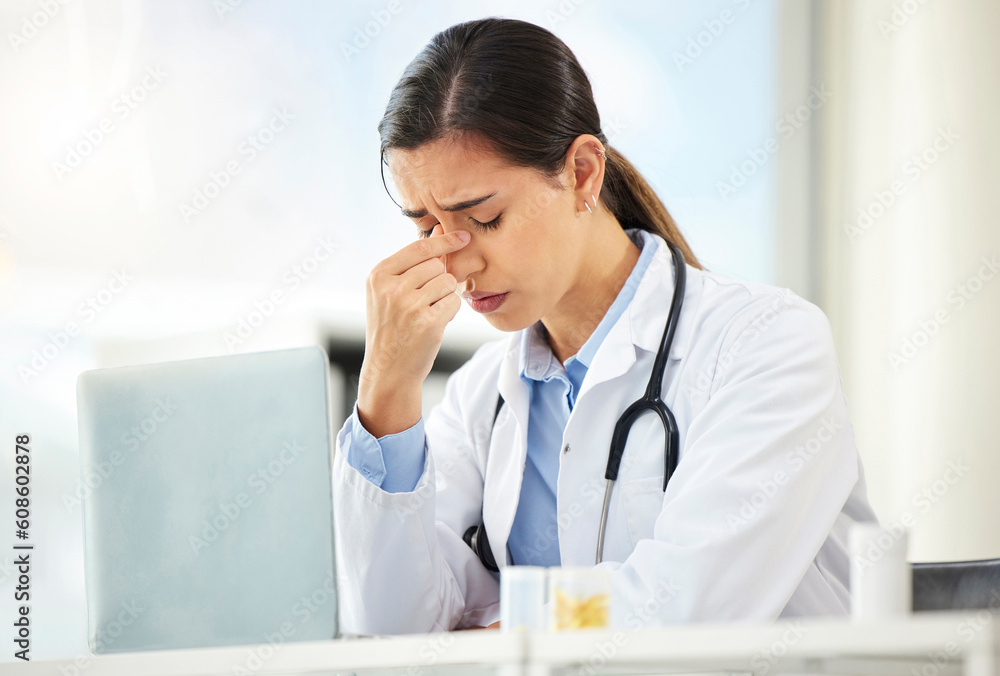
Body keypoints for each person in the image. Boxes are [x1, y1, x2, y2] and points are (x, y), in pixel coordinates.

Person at [331, 16, 879, 634]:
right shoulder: (482, 398)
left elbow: (686, 612)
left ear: (583, 174)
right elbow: (392, 629)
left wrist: (505, 627)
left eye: (483, 218)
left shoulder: (767, 345)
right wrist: (386, 390)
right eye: (425, 228)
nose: (454, 260)